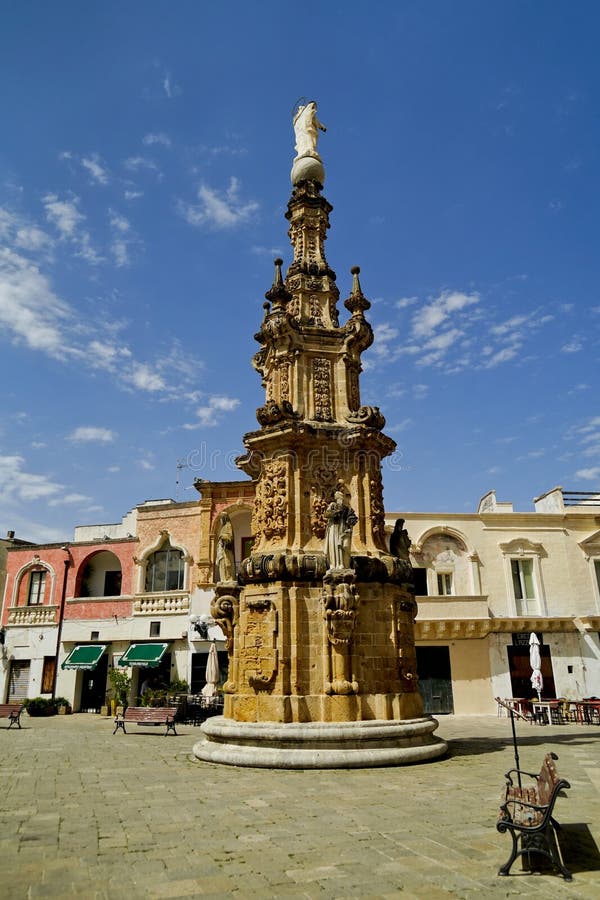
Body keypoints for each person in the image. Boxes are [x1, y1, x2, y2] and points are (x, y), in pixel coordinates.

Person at [324, 491, 357, 570]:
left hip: (342, 528)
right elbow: (326, 514)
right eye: (338, 497)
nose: (341, 499)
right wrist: (336, 512)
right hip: (334, 527)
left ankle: (342, 563)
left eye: (341, 497)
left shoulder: (346, 508)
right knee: (334, 545)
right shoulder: (333, 505)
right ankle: (334, 564)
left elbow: (352, 518)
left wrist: (350, 521)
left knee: (341, 546)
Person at [216, 513, 235, 582]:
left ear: (224, 518)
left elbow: (230, 537)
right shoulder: (223, 528)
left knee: (227, 564)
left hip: (226, 549)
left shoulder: (228, 525)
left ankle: (228, 578)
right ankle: (223, 579)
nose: (220, 520)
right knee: (222, 563)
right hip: (221, 548)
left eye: (221, 518)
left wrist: (222, 536)